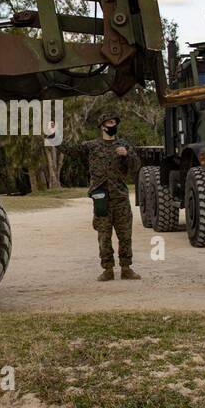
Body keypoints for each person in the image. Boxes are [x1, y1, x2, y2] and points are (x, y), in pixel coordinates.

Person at [83, 109, 141, 281]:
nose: (113, 125)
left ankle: (126, 268)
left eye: (114, 123)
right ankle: (108, 269)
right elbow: (70, 149)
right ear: (102, 126)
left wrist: (127, 155)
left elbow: (136, 165)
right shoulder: (92, 146)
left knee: (125, 235)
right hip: (101, 199)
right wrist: (52, 135)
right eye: (109, 123)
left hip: (120, 197)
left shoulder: (123, 145)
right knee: (103, 235)